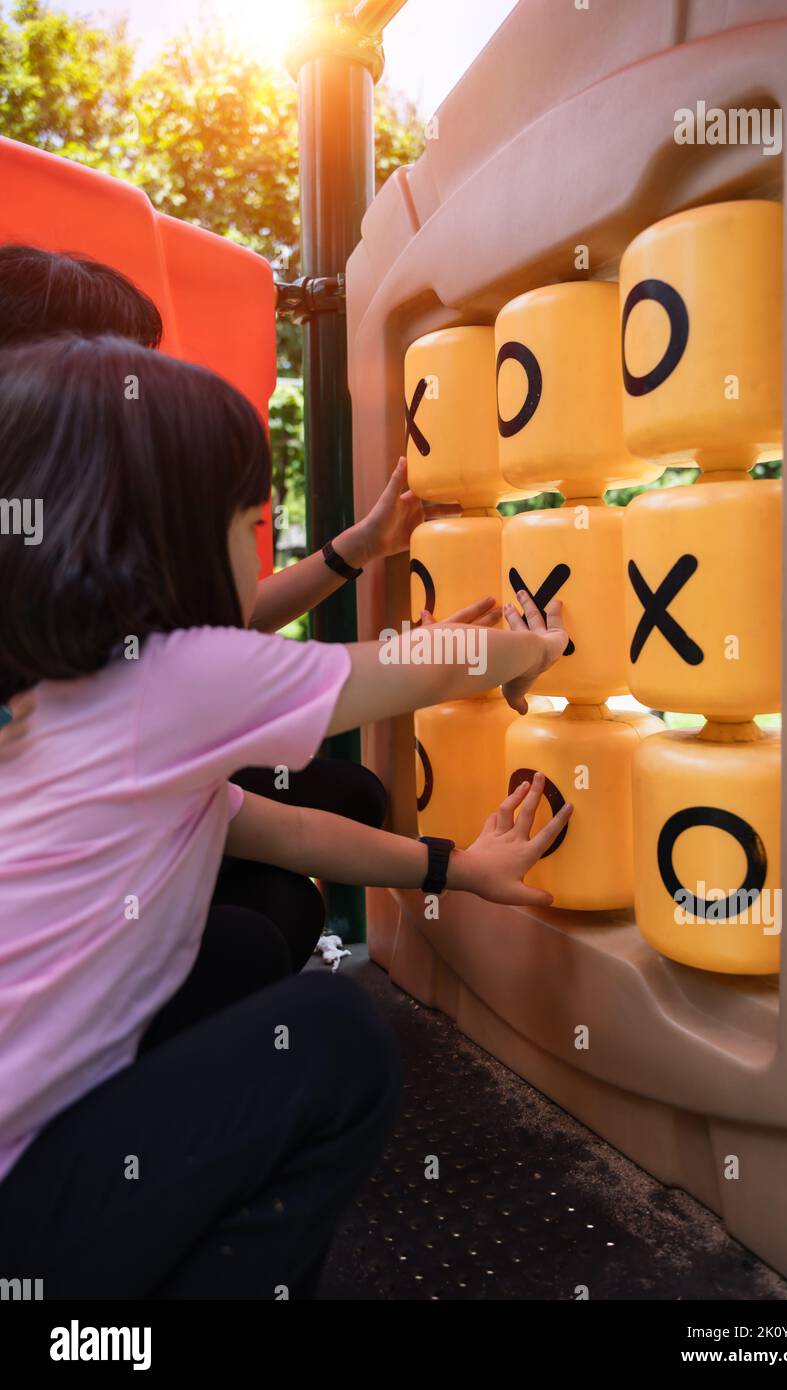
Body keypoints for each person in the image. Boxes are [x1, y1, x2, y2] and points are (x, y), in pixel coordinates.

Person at [0, 334, 570, 1298]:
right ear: (163, 541)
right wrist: (526, 646)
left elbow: (288, 831)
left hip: (40, 1167)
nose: (256, 549)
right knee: (329, 1040)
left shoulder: (62, 704)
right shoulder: (171, 683)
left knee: (263, 970)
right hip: (29, 1214)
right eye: (250, 525)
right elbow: (413, 673)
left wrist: (457, 868)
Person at [0, 244, 501, 970]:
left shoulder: (71, 522)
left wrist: (357, 549)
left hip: (104, 812)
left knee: (336, 809)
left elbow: (196, 638)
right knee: (267, 926)